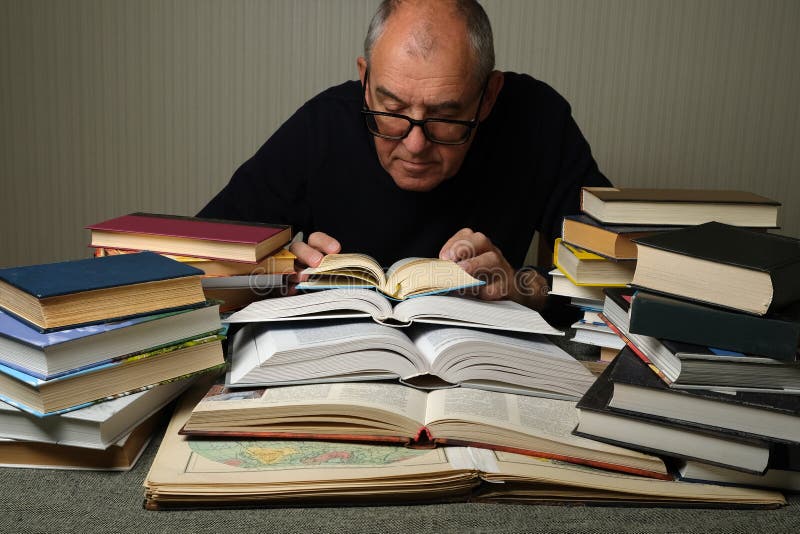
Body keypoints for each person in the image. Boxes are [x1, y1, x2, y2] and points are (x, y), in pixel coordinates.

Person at [198, 0, 611, 309]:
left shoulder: (537, 121)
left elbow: (617, 275)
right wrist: (271, 274)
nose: (415, 145)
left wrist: (522, 287)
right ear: (365, 81)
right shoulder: (322, 126)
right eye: (392, 111)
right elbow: (194, 265)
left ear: (488, 97)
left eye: (445, 117)